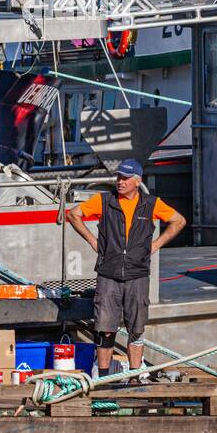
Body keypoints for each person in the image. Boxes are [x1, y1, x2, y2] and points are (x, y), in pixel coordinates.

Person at [66, 158, 186, 378]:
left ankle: (133, 376)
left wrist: (157, 244)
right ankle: (102, 376)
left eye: (125, 178)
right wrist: (93, 240)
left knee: (136, 328)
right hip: (108, 273)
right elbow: (73, 214)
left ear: (137, 181)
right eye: (118, 177)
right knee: (105, 329)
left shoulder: (151, 203)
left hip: (137, 274)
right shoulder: (104, 200)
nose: (120, 181)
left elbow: (179, 221)